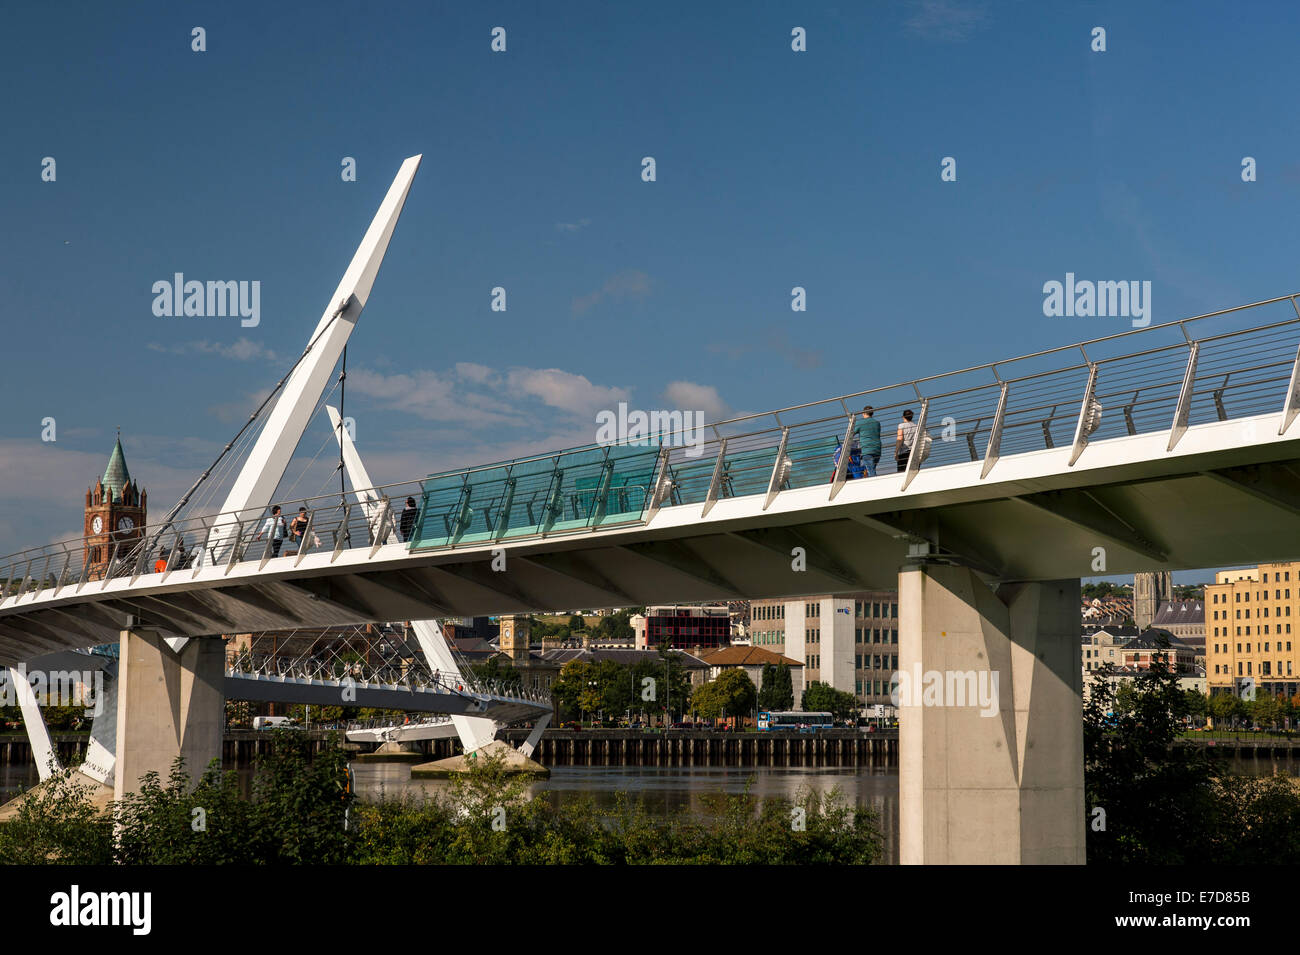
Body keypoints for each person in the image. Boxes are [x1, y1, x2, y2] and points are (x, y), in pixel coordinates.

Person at [856, 405, 882, 477]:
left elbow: (852, 433)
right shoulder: (877, 423)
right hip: (877, 449)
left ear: (863, 413)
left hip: (867, 450)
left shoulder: (860, 423)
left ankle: (875, 485)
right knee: (871, 469)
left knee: (870, 471)